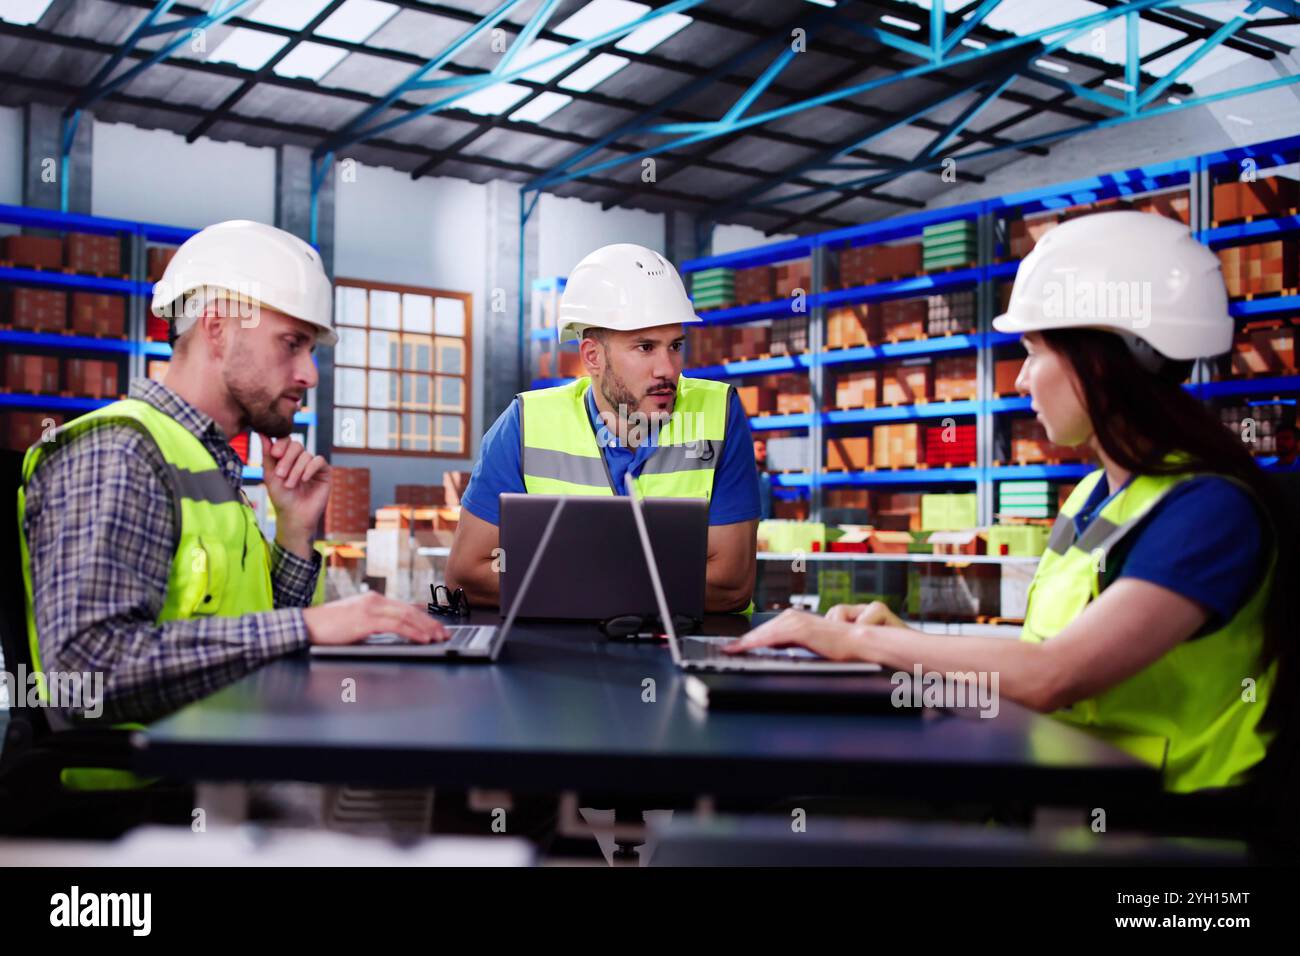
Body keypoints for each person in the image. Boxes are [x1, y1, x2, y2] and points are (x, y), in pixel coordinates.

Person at [726, 211, 1298, 806]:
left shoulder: (1208, 512)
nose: (1021, 379)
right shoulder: (1093, 497)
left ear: (1101, 358)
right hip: (1062, 800)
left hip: (1171, 843)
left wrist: (864, 646)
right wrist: (909, 641)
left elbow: (1054, 676)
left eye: (1033, 350)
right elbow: (1031, 663)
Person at [19, 220, 446, 731]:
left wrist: (293, 532)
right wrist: (310, 625)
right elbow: (86, 671)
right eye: (292, 343)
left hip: (233, 755)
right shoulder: (119, 452)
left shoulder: (210, 466)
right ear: (217, 328)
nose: (310, 373)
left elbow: (253, 638)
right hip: (147, 790)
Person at [447, 243, 759, 612]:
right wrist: (636, 590)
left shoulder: (719, 412)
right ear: (593, 356)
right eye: (645, 347)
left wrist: (577, 585)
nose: (668, 368)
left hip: (684, 651)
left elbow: (730, 586)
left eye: (675, 345)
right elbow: (468, 576)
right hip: (557, 658)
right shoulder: (525, 423)